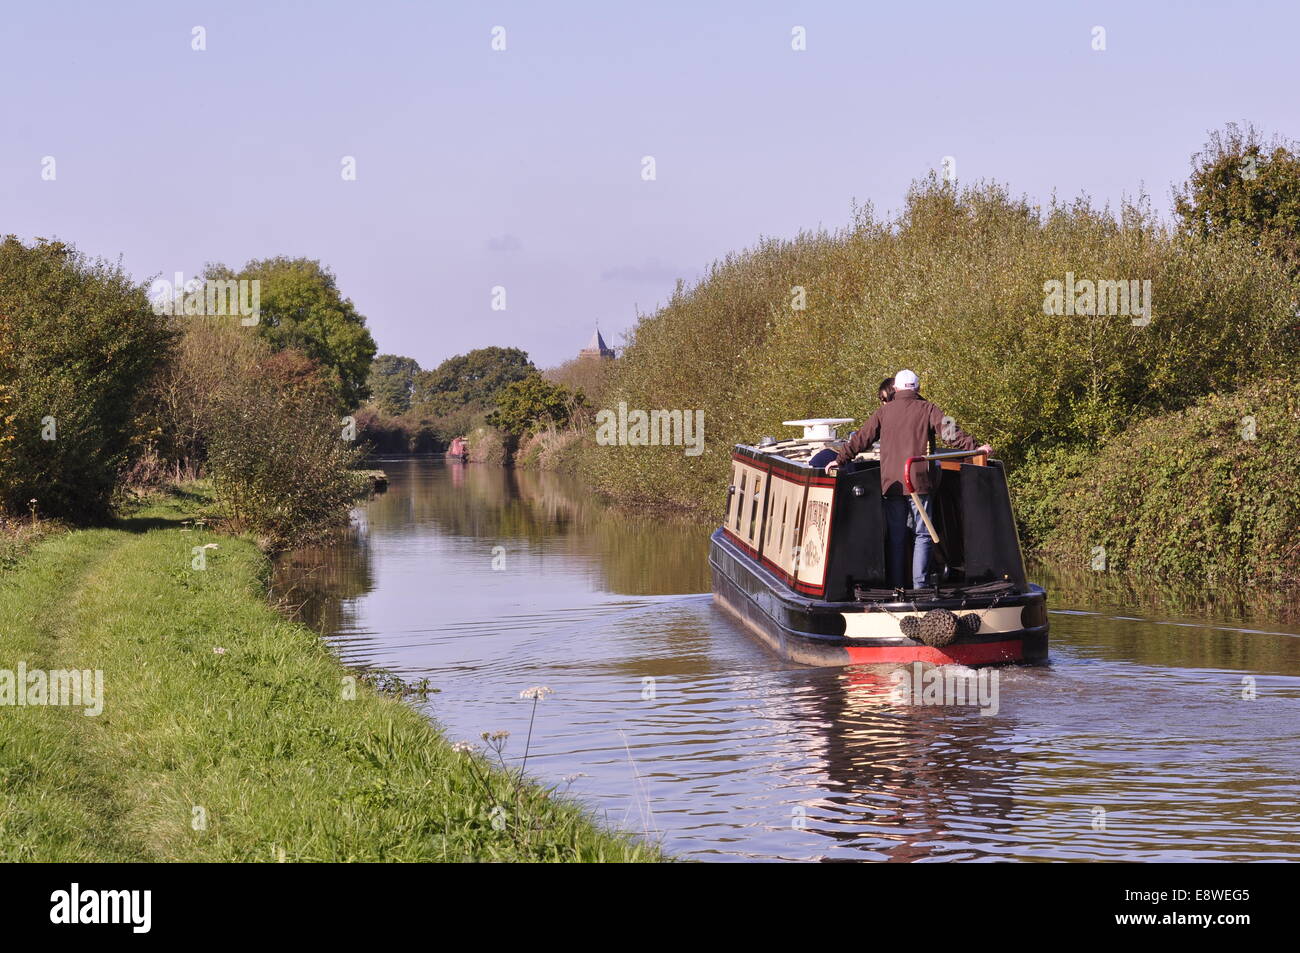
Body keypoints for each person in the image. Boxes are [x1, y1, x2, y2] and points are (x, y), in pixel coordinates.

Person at [826, 369, 991, 589]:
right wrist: (976, 447)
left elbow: (861, 438)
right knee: (923, 534)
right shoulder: (929, 408)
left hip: (892, 483)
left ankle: (897, 586)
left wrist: (840, 459)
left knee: (897, 536)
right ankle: (919, 586)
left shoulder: (882, 413)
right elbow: (951, 432)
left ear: (895, 389)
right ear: (918, 388)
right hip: (919, 481)